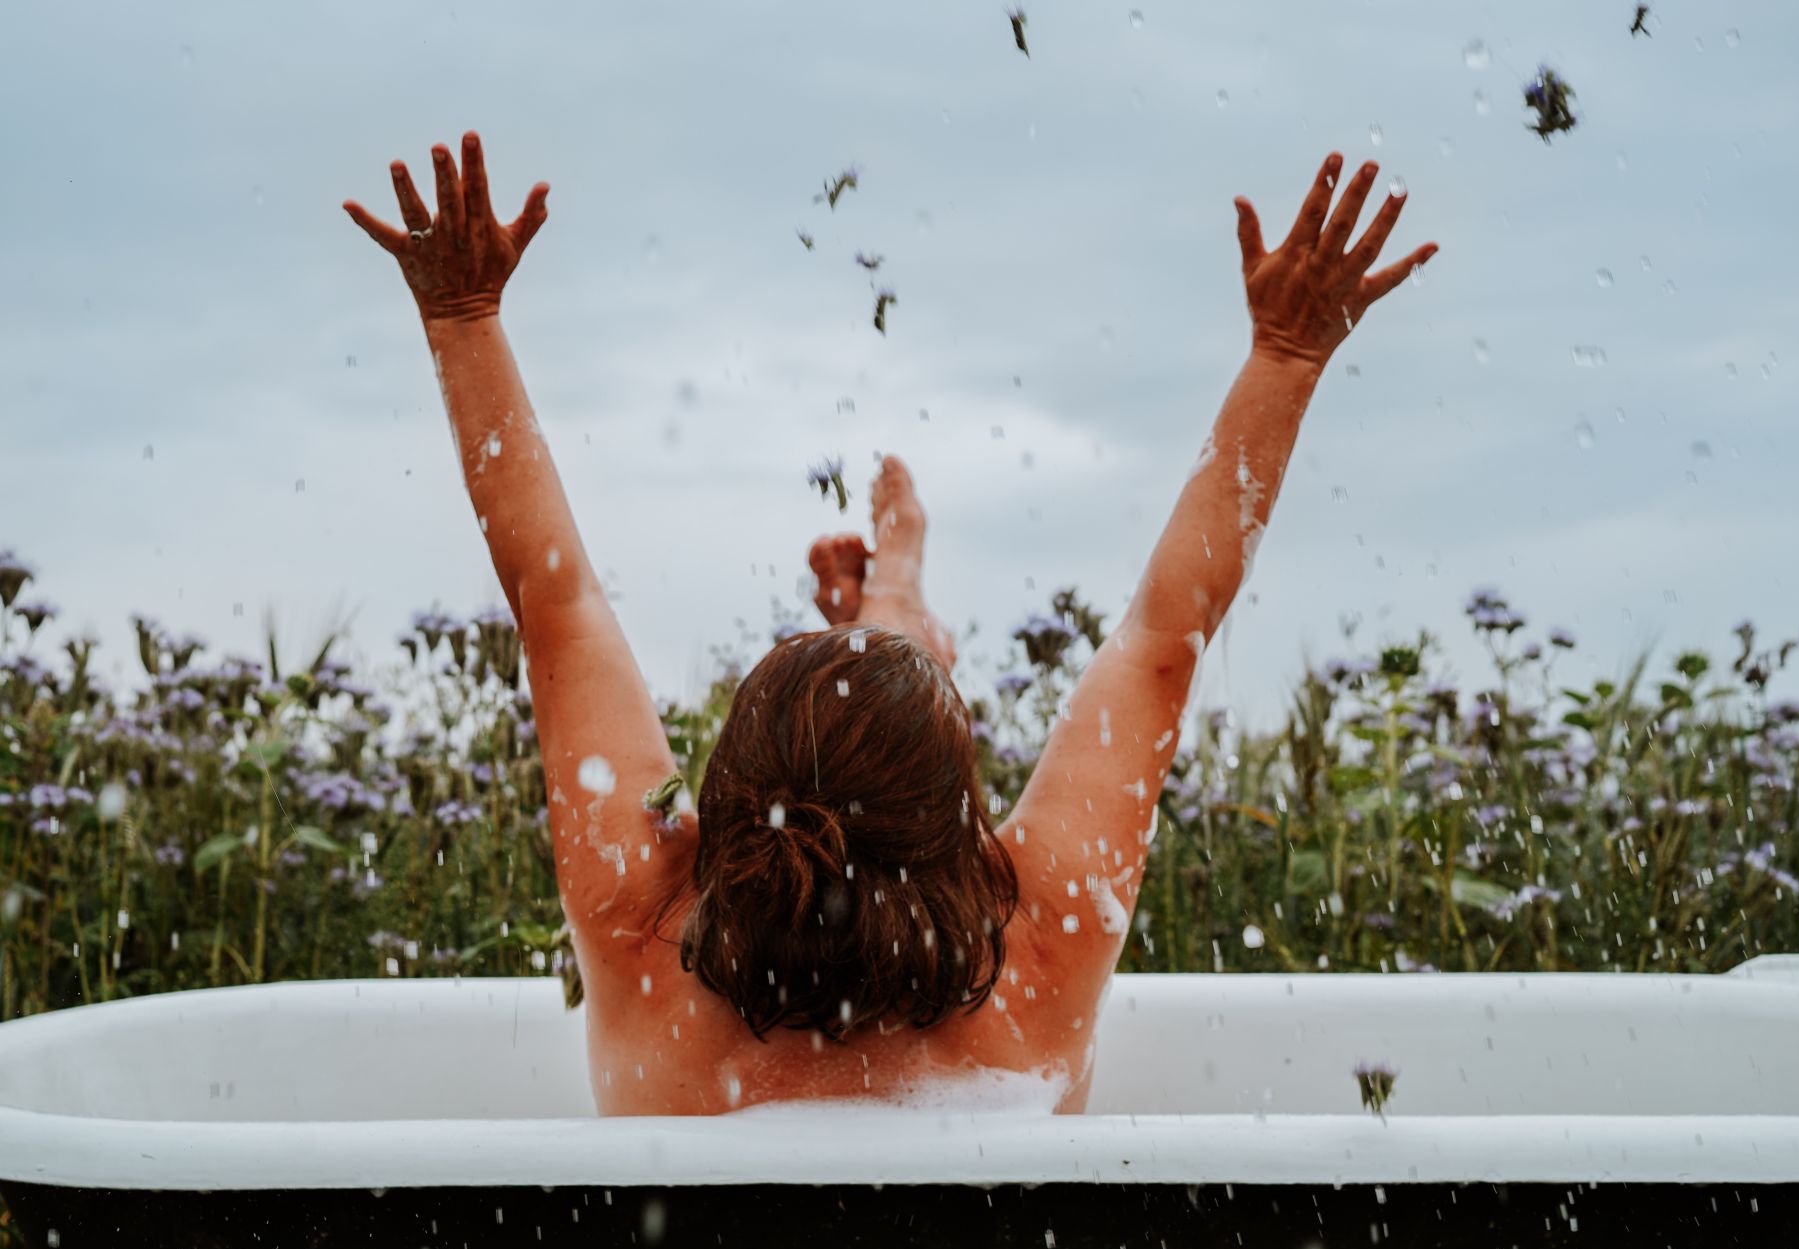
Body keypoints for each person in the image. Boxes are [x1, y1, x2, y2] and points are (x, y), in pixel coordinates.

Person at [343, 132, 1436, 1116]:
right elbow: (1164, 630)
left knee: (884, 676)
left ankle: (891, 604)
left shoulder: (643, 940)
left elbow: (558, 607)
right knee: (891, 677)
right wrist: (1285, 355)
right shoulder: (1039, 953)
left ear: (719, 808)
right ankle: (893, 601)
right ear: (965, 824)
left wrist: (462, 319)